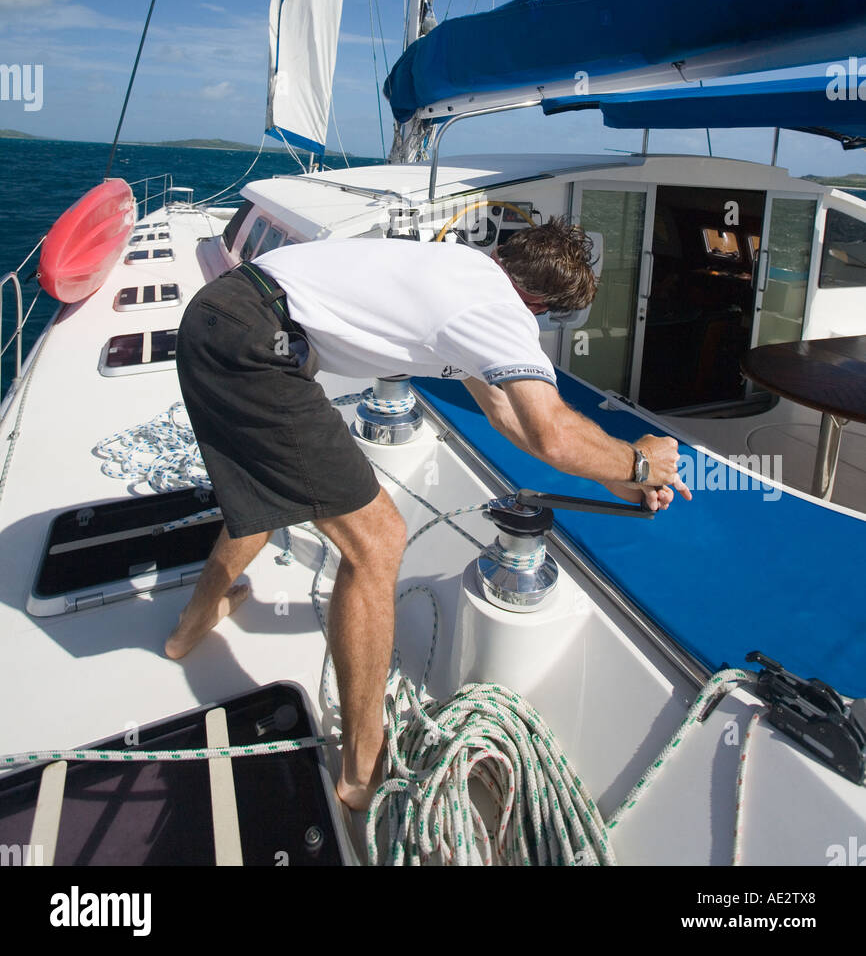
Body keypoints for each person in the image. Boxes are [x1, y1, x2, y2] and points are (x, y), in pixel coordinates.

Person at [166, 215, 690, 812]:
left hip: (220, 317)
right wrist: (640, 463)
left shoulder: (458, 272)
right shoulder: (497, 310)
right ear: (542, 304)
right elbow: (549, 433)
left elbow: (510, 417)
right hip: (259, 346)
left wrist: (614, 476)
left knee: (270, 486)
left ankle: (192, 625)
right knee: (378, 541)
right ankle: (362, 767)